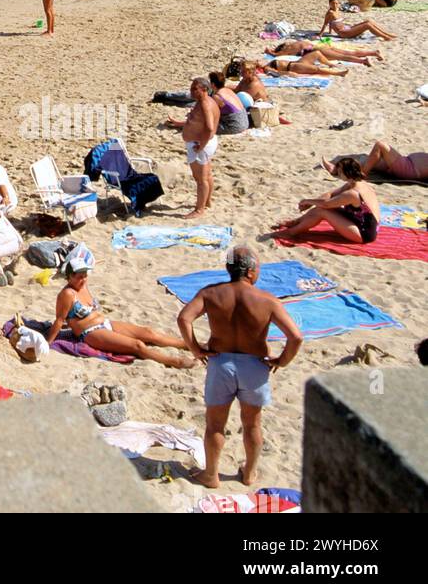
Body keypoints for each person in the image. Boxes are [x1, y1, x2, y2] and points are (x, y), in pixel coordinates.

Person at [177, 245, 304, 490]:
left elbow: (184, 318)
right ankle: (249, 473)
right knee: (252, 424)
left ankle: (211, 475)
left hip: (221, 363)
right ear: (250, 272)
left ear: (229, 268)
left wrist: (196, 349)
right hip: (254, 367)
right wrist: (282, 360)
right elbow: (296, 337)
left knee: (215, 425)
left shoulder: (211, 293)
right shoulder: (266, 300)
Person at [46, 247, 194, 367]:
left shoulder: (83, 286)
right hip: (90, 333)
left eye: (85, 275)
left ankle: (190, 345)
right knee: (137, 345)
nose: (83, 279)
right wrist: (49, 342)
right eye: (79, 276)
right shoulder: (67, 294)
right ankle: (174, 362)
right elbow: (59, 320)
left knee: (149, 333)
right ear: (69, 277)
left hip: (106, 324)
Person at [270, 158, 382, 245]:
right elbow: (331, 194)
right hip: (360, 222)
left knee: (322, 211)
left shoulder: (352, 193)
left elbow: (326, 204)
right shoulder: (357, 183)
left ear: (346, 173)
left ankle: (291, 233)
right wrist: (311, 203)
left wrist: (307, 201)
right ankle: (295, 222)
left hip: (364, 233)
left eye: (339, 172)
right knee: (321, 208)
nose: (338, 174)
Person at [164, 77, 219, 218]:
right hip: (203, 143)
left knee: (201, 179)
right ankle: (207, 202)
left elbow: (209, 127)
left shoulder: (205, 104)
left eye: (195, 89)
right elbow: (199, 122)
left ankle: (199, 209)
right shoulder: (206, 102)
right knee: (207, 175)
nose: (191, 92)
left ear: (204, 89)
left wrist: (202, 146)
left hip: (200, 145)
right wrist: (180, 123)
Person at [324, 141, 428, 183]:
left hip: (408, 168)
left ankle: (362, 174)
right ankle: (337, 169)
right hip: (407, 164)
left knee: (380, 146)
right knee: (370, 159)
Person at [320, 0, 395, 41]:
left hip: (347, 28)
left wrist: (330, 32)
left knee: (368, 21)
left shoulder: (337, 9)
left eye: (336, 3)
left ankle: (387, 34)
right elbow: (325, 24)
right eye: (333, 3)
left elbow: (331, 23)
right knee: (367, 25)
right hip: (344, 33)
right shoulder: (330, 12)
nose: (335, 5)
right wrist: (320, 35)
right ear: (329, 4)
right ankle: (385, 37)